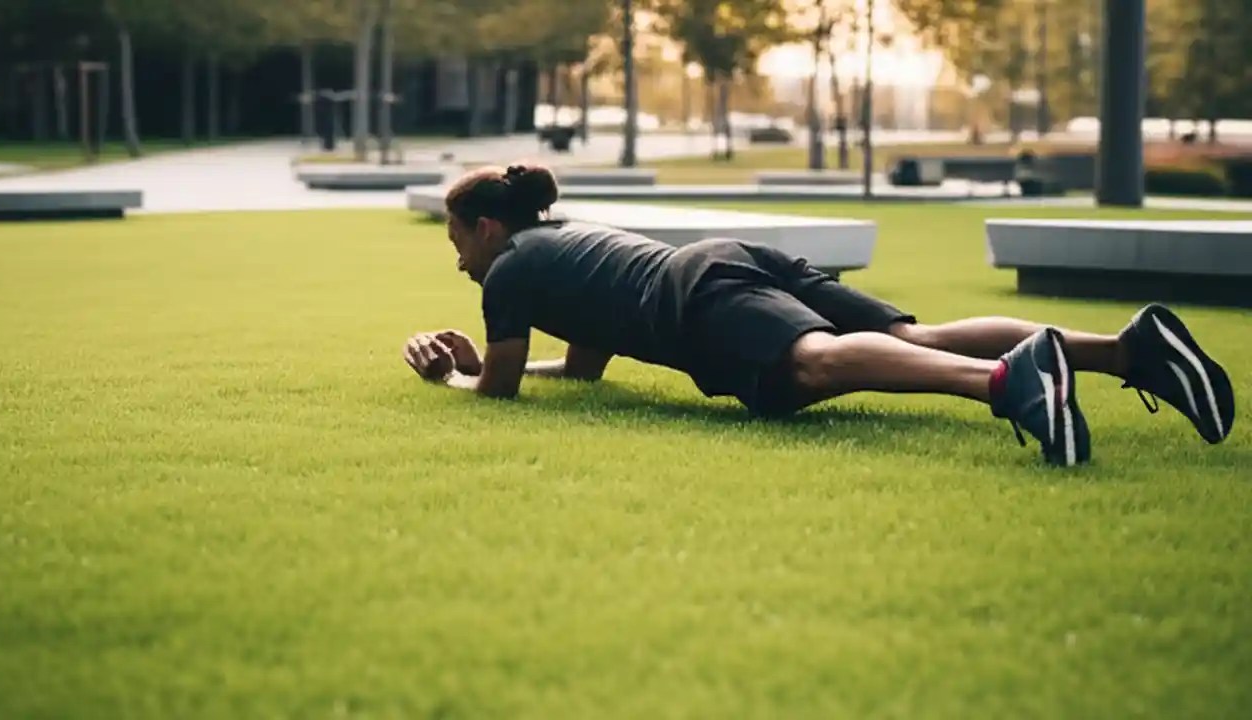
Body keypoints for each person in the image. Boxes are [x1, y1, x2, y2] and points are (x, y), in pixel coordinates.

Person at [403, 164, 1236, 467]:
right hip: (729, 258)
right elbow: (583, 368)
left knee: (809, 366)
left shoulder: (509, 268)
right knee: (903, 339)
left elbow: (499, 391)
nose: (459, 259)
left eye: (457, 242)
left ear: (485, 226)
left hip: (698, 298)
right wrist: (493, 368)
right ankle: (1131, 351)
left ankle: (1006, 382)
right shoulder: (570, 243)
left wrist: (454, 376)